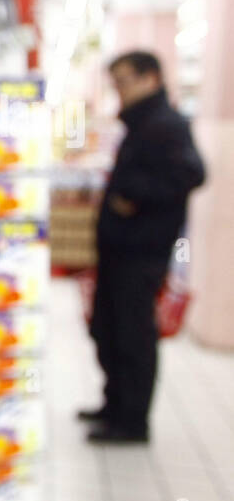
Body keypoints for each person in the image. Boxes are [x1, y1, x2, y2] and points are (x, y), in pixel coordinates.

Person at [79, 50, 205, 443]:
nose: (118, 89)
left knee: (134, 336)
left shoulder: (166, 124)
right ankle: (114, 404)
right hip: (121, 252)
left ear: (150, 78)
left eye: (124, 80)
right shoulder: (142, 122)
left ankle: (132, 422)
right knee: (109, 329)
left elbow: (193, 173)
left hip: (141, 253)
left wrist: (133, 196)